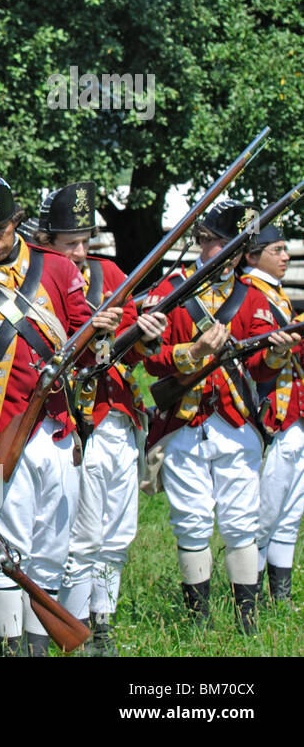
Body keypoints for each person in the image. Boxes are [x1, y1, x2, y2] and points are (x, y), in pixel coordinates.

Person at [0, 170, 120, 655]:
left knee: (51, 545)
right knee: (3, 550)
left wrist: (99, 332)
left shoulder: (57, 269)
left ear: (16, 222)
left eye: (2, 227)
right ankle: (11, 646)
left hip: (57, 428)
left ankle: (36, 644)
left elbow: (87, 354)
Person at [143, 200, 291, 633]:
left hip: (237, 421)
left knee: (241, 522)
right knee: (191, 522)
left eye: (227, 246)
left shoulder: (254, 296)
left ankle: (247, 620)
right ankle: (198, 622)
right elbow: (153, 364)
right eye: (211, 242)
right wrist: (196, 352)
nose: (217, 252)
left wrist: (278, 353)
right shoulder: (172, 292)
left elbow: (262, 369)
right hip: (186, 425)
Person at [35, 182, 167, 654]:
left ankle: (103, 619)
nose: (80, 252)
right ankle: (76, 625)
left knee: (119, 532)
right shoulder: (38, 277)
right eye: (70, 243)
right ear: (46, 242)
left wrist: (145, 333)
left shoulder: (108, 273)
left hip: (120, 418)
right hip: (75, 420)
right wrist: (91, 333)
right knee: (84, 534)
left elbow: (135, 348)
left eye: (84, 241)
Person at [241, 226, 304, 607]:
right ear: (252, 255)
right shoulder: (252, 293)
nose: (286, 257)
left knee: (290, 507)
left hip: (293, 412)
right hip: (270, 415)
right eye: (277, 250)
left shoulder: (275, 294)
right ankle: (251, 594)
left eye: (286, 250)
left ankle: (281, 597)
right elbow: (258, 362)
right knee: (266, 511)